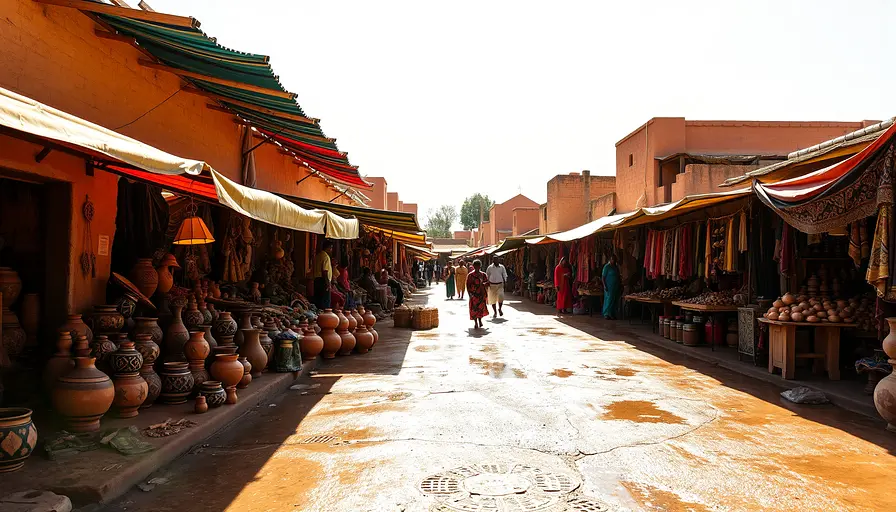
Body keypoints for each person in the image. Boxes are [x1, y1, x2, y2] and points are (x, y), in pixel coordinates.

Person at [465, 259, 489, 329]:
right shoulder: (470, 275)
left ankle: (480, 320)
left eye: (478, 266)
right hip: (474, 295)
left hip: (481, 294)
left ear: (480, 266)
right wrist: (470, 294)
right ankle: (475, 322)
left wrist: (484, 284)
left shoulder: (483, 275)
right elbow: (468, 285)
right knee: (474, 309)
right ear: (473, 266)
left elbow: (487, 283)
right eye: (475, 266)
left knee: (481, 308)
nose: (477, 267)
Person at [312, 240, 333, 309]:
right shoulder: (326, 257)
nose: (331, 250)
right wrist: (327, 284)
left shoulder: (318, 255)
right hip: (323, 281)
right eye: (331, 248)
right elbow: (325, 271)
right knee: (325, 302)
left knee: (318, 300)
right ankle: (325, 317)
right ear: (328, 247)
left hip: (316, 280)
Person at [602, 254, 621, 320]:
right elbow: (603, 277)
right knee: (608, 299)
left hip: (615, 286)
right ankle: (606, 313)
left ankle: (612, 314)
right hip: (608, 286)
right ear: (610, 259)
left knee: (614, 300)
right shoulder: (607, 267)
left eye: (614, 259)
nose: (613, 260)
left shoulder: (615, 267)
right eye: (612, 259)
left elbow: (618, 276)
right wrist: (604, 286)